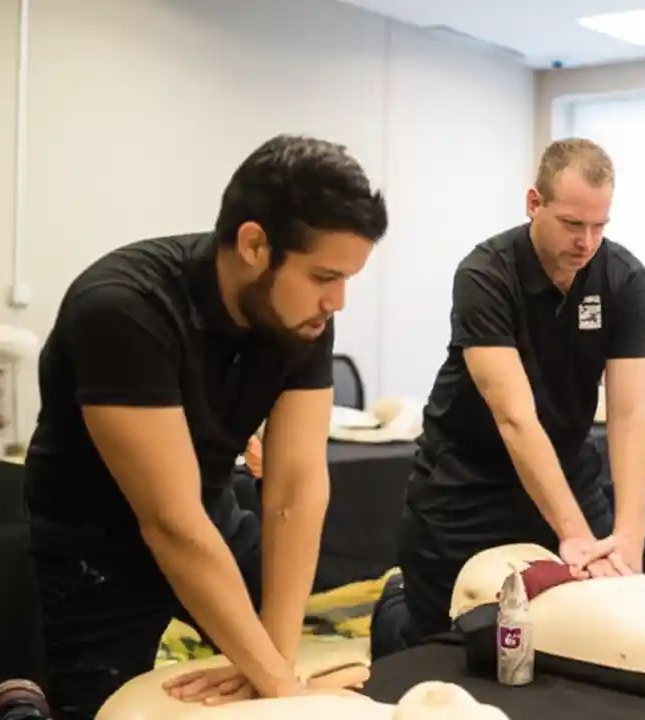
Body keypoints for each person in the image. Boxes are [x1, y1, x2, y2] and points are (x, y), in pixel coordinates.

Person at [19, 135, 388, 718]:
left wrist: (272, 665)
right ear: (254, 244)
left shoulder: (302, 317)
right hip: (97, 539)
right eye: (323, 276)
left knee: (277, 647)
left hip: (208, 507)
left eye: (347, 279)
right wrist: (279, 688)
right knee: (100, 708)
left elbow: (295, 487)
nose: (336, 301)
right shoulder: (122, 309)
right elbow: (169, 522)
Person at [370, 138, 645, 659]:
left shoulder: (624, 279)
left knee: (560, 640)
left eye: (599, 226)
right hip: (468, 482)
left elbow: (630, 413)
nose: (586, 242)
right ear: (533, 203)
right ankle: (393, 609)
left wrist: (629, 531)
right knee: (449, 644)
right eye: (572, 224)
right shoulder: (486, 274)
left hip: (565, 472)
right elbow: (515, 418)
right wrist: (571, 534)